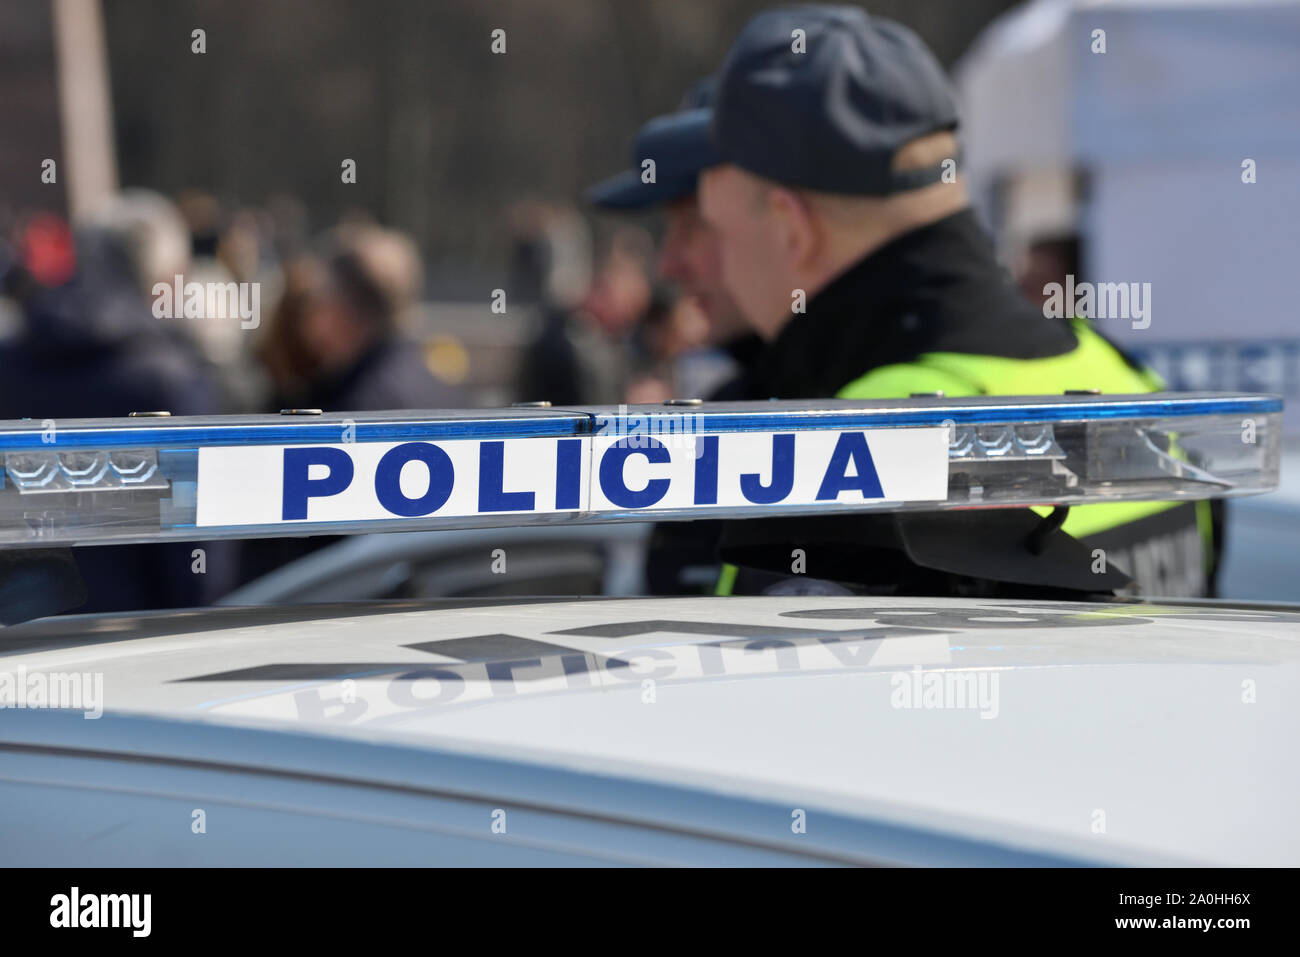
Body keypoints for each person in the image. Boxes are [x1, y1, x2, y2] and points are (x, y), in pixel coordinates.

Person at [697, 4, 1214, 598]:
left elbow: (756, 690)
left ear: (792, 227)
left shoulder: (839, 464)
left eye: (717, 230)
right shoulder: (1122, 379)